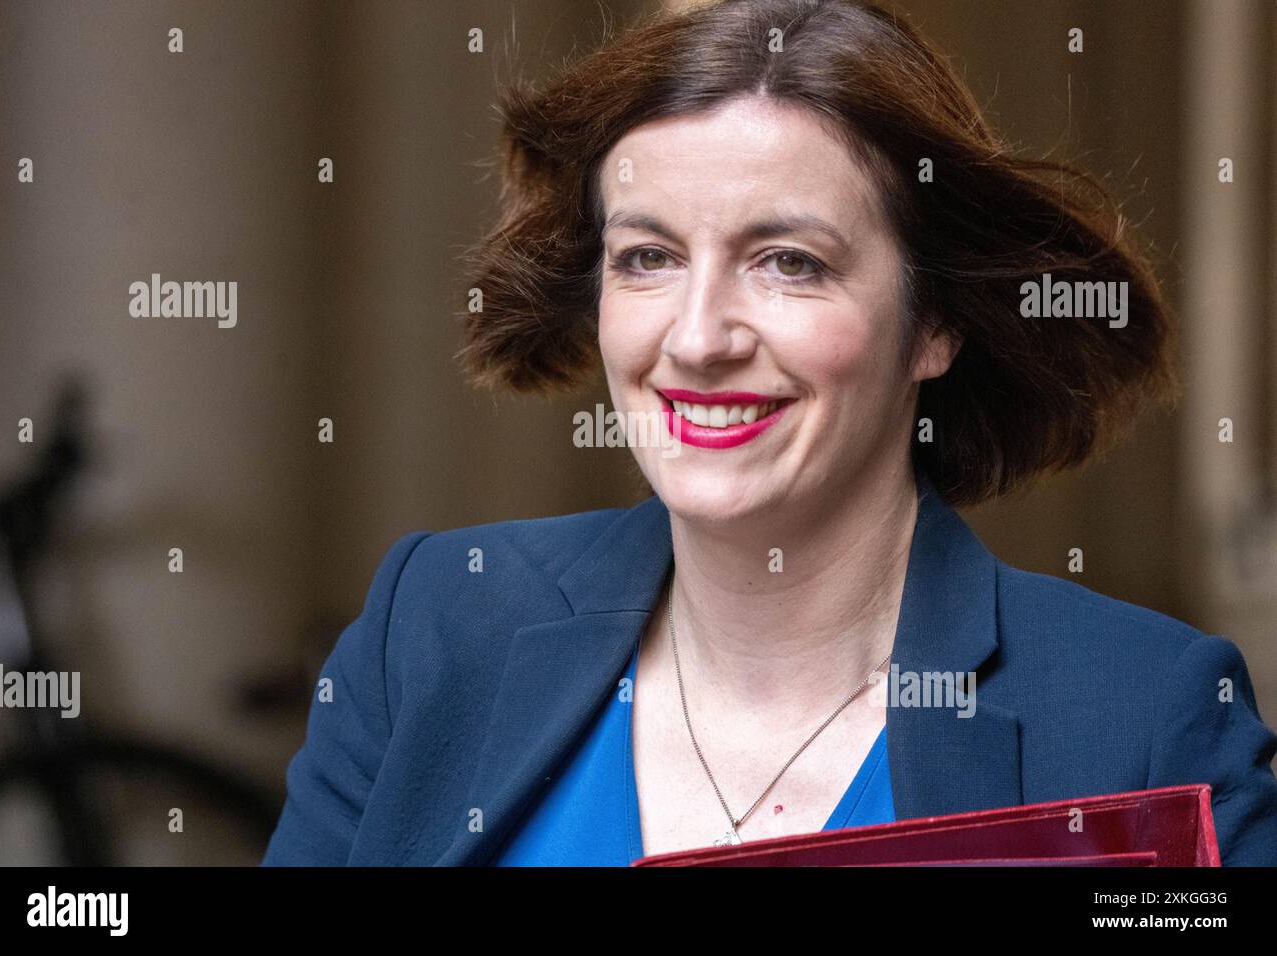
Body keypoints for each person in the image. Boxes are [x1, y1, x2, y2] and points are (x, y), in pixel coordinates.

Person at [262, 0, 1277, 866]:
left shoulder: (1147, 720)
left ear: (935, 322)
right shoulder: (434, 626)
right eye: (648, 257)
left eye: (789, 262)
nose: (698, 338)